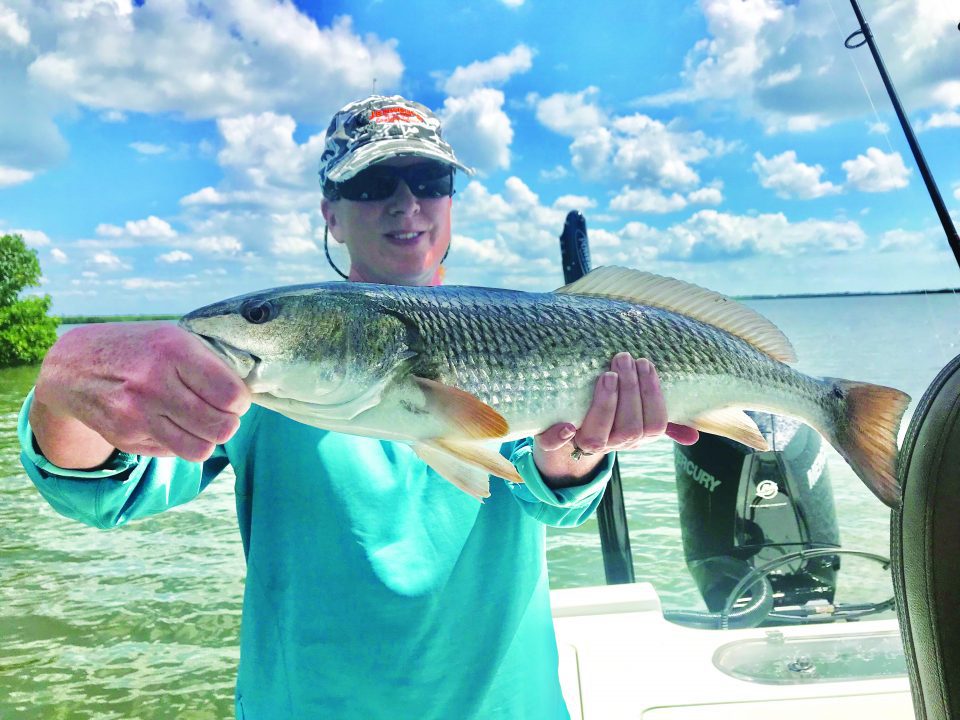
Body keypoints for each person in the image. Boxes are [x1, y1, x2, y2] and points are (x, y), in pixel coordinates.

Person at [19, 95, 698, 719]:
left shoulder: (519, 336)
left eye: (431, 183)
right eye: (373, 186)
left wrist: (576, 451)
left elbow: (554, 493)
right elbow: (103, 489)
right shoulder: (254, 377)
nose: (407, 205)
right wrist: (66, 390)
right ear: (330, 213)